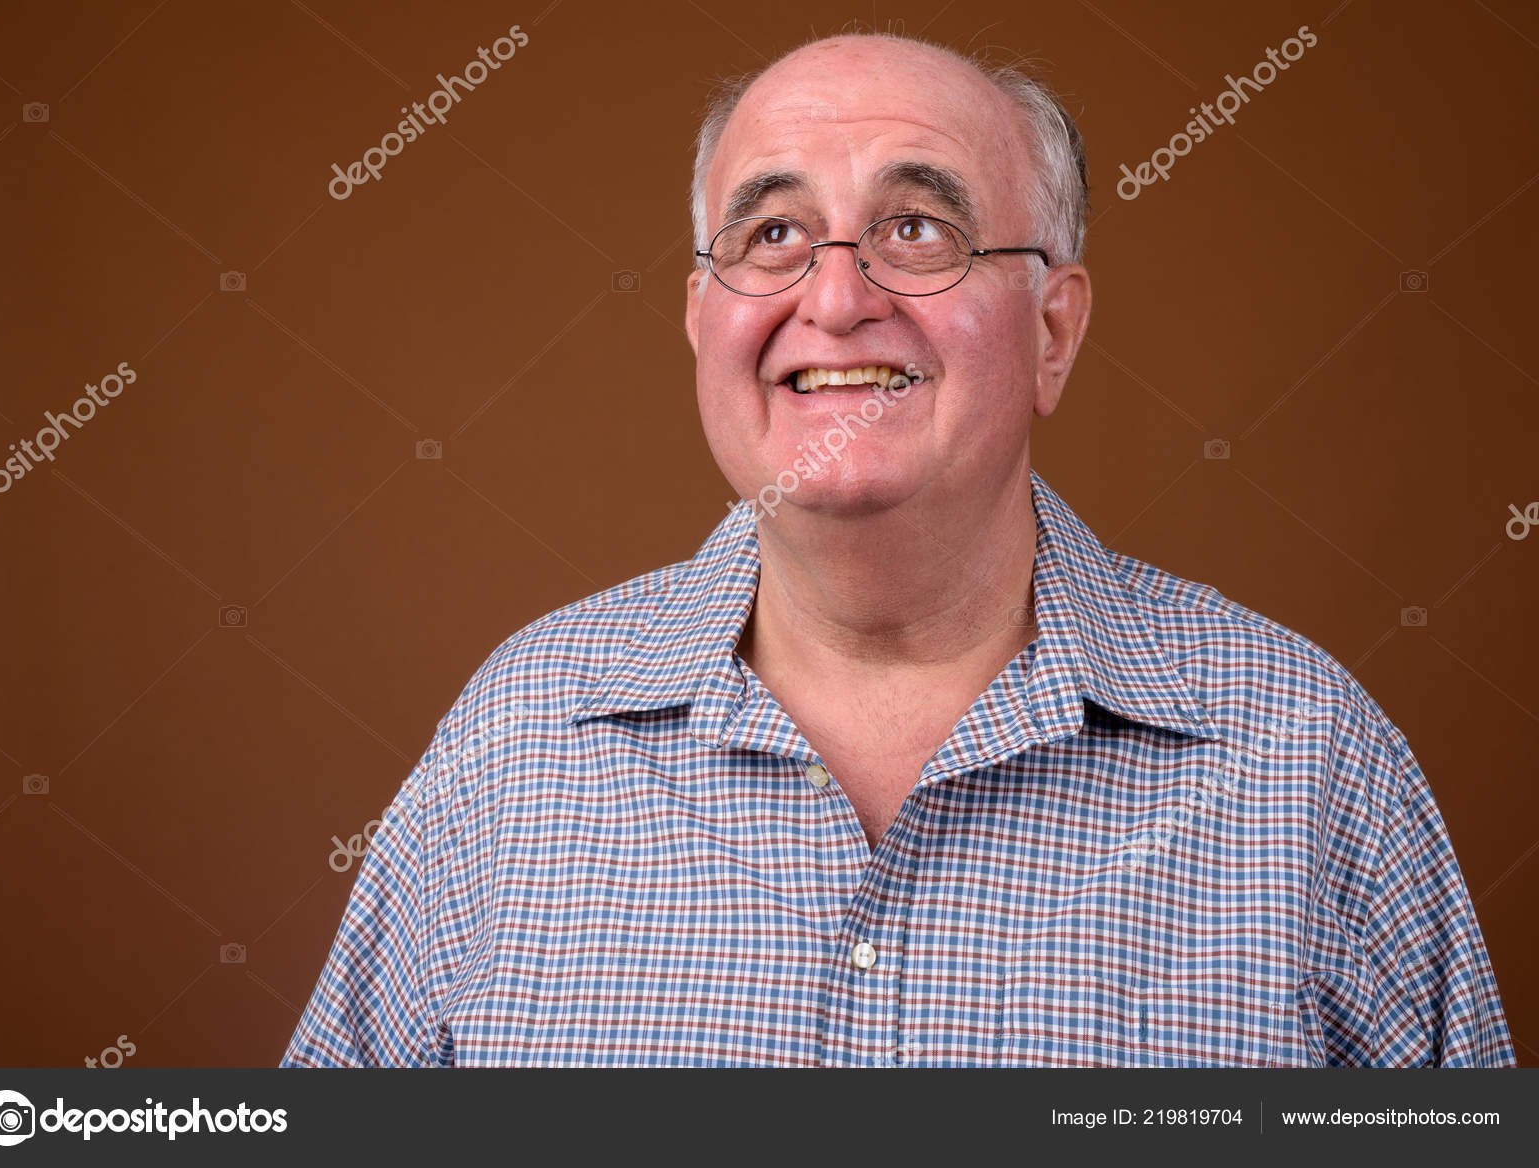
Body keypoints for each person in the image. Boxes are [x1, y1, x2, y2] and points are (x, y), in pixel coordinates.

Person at [282, 32, 1514, 1067]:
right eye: (771, 236)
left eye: (916, 229)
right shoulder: (516, 740)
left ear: (1052, 330)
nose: (832, 298)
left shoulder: (1306, 761)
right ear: (702, 316)